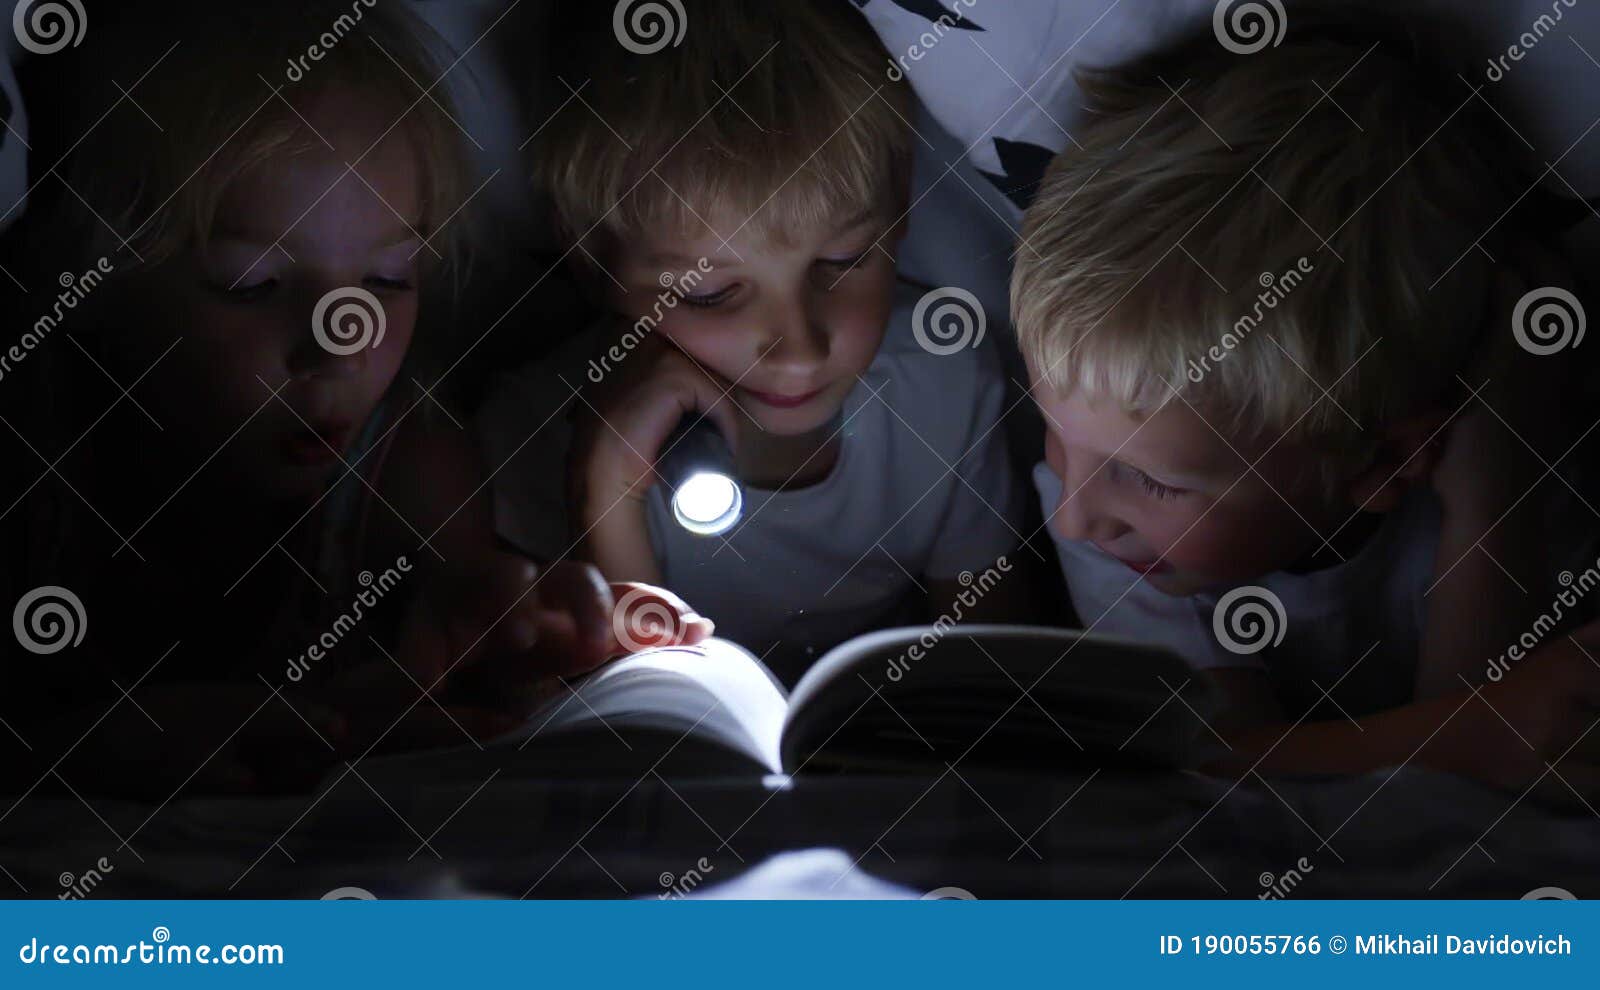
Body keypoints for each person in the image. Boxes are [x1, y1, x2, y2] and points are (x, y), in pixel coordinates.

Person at [0, 0, 707, 799]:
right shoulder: (30, 456)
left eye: (387, 280)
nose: (339, 346)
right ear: (98, 283)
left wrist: (511, 648)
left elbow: (473, 641)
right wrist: (77, 759)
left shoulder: (406, 467)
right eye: (253, 285)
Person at [1011, 15, 1600, 790]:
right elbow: (1220, 779)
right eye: (1055, 432)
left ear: (1386, 460)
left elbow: (1462, 817)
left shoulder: (1535, 492)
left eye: (1154, 480)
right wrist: (1466, 739)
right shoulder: (1118, 535)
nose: (1073, 517)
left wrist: (1491, 505)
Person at [481, 0, 1029, 684]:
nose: (799, 349)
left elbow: (985, 674)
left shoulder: (943, 382)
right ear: (591, 261)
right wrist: (605, 493)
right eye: (711, 295)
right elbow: (626, 737)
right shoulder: (532, 431)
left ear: (901, 213)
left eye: (845, 260)